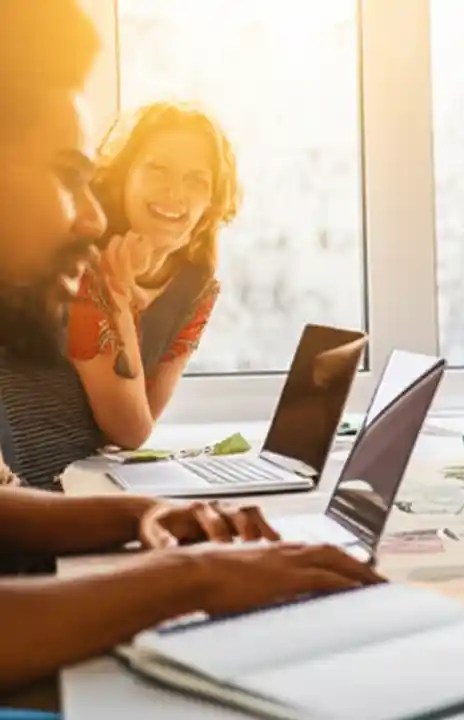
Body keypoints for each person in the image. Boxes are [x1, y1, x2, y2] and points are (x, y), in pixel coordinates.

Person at [0, 0, 379, 697]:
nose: (90, 215)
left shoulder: (196, 280)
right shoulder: (95, 269)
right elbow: (130, 424)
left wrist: (146, 514)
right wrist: (191, 576)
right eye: (62, 174)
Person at [0, 101, 236, 490]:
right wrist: (120, 300)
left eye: (196, 179)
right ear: (125, 177)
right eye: (157, 170)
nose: (175, 191)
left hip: (91, 475)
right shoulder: (83, 261)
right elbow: (130, 429)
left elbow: (146, 410)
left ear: (211, 202)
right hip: (28, 479)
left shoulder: (197, 287)